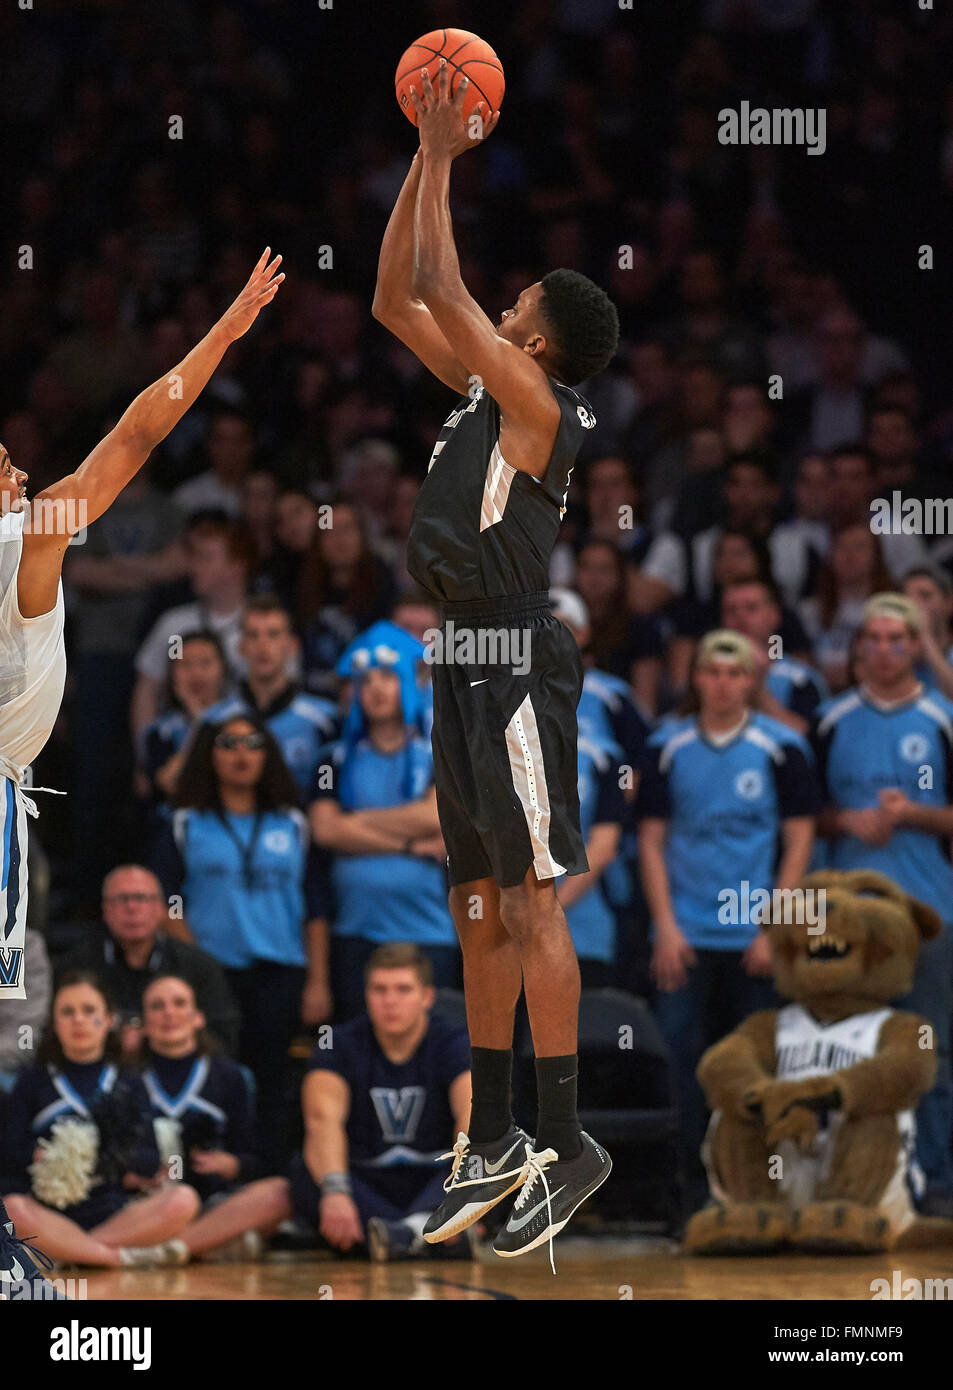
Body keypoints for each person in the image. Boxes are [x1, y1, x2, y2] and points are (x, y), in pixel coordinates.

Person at [0, 247, 282, 1291]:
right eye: (7, 465)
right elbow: (137, 430)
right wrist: (224, 333)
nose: (21, 472)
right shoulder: (25, 537)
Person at [374, 63, 619, 1258]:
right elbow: (391, 295)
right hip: (457, 649)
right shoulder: (484, 390)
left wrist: (442, 146)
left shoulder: (538, 403)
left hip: (517, 644)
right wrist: (427, 155)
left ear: (539, 334)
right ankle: (492, 1136)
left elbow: (439, 282)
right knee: (471, 901)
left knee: (528, 898)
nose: (502, 301)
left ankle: (564, 1135)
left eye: (516, 299)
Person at [637, 630, 820, 1216]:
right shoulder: (668, 746)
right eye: (711, 672)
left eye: (734, 673)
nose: (722, 684)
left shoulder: (781, 747)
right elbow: (650, 841)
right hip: (686, 937)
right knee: (683, 1070)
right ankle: (688, 1200)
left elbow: (799, 840)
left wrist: (774, 927)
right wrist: (665, 926)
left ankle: (762, 1195)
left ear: (751, 680)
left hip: (753, 938)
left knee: (760, 1070)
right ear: (696, 679)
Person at [811, 593, 953, 1215]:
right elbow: (801, 816)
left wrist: (916, 814)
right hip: (849, 920)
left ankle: (934, 1184)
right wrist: (844, 818)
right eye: (875, 638)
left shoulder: (944, 718)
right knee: (847, 1048)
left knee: (930, 1050)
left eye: (901, 639)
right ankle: (853, 1187)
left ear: (919, 645)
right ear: (858, 647)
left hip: (930, 915)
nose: (887, 649)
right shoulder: (831, 719)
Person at [150, 713, 325, 1172]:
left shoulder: (293, 823)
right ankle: (208, 1184)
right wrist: (199, 964)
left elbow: (316, 908)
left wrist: (318, 982)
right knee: (214, 1079)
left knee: (272, 1083)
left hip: (280, 972)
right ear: (209, 753)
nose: (241, 754)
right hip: (211, 976)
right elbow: (166, 901)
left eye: (253, 743)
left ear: (268, 754)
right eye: (228, 743)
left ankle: (265, 1182)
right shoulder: (184, 822)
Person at [310, 622, 457, 1020]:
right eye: (364, 679)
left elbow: (434, 815)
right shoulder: (333, 758)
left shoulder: (440, 752)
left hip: (430, 932)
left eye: (388, 676)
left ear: (411, 681)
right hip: (354, 932)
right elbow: (324, 830)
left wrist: (352, 826)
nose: (374, 688)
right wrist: (409, 843)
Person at [1, 972, 198, 1268]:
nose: (78, 1020)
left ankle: (68, 1252)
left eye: (89, 1011)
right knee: (12, 1207)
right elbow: (9, 1158)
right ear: (55, 1024)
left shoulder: (129, 1082)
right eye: (68, 1012)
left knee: (183, 1200)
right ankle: (115, 1258)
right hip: (48, 1212)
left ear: (108, 1020)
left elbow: (148, 1159)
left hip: (114, 1212)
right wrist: (44, 1156)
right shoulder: (33, 1081)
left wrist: (103, 1154)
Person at [57, 864, 240, 1057]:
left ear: (160, 909)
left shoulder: (198, 965)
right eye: (122, 899)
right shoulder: (76, 964)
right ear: (106, 910)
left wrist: (160, 1038)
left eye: (141, 898)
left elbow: (223, 1037)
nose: (132, 907)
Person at [203, 594, 338, 802]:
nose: (263, 646)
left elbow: (329, 786)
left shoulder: (326, 719)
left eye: (273, 635)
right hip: (232, 829)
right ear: (241, 647)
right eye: (253, 635)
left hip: (303, 828)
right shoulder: (215, 720)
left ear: (292, 646)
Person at [139, 975, 258, 1210]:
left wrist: (232, 1164)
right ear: (144, 1023)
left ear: (198, 1017)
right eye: (157, 1006)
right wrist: (136, 1175)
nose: (169, 1013)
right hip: (146, 1204)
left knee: (276, 1194)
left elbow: (254, 1157)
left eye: (180, 1003)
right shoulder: (125, 1078)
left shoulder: (229, 1076)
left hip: (214, 1203)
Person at [721, 576, 829, 733]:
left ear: (774, 615)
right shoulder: (705, 672)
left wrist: (759, 691)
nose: (740, 616)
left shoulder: (800, 679)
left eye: (751, 608)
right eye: (730, 610)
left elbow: (809, 740)